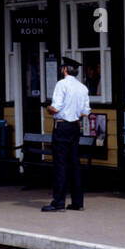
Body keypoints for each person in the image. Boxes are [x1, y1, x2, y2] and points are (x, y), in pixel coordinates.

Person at [43, 57, 90, 212]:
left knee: (61, 164)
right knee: (75, 164)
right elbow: (85, 112)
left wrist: (48, 108)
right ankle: (77, 202)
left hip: (62, 126)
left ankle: (58, 202)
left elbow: (55, 108)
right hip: (75, 127)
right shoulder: (83, 88)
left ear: (65, 70)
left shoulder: (61, 84)